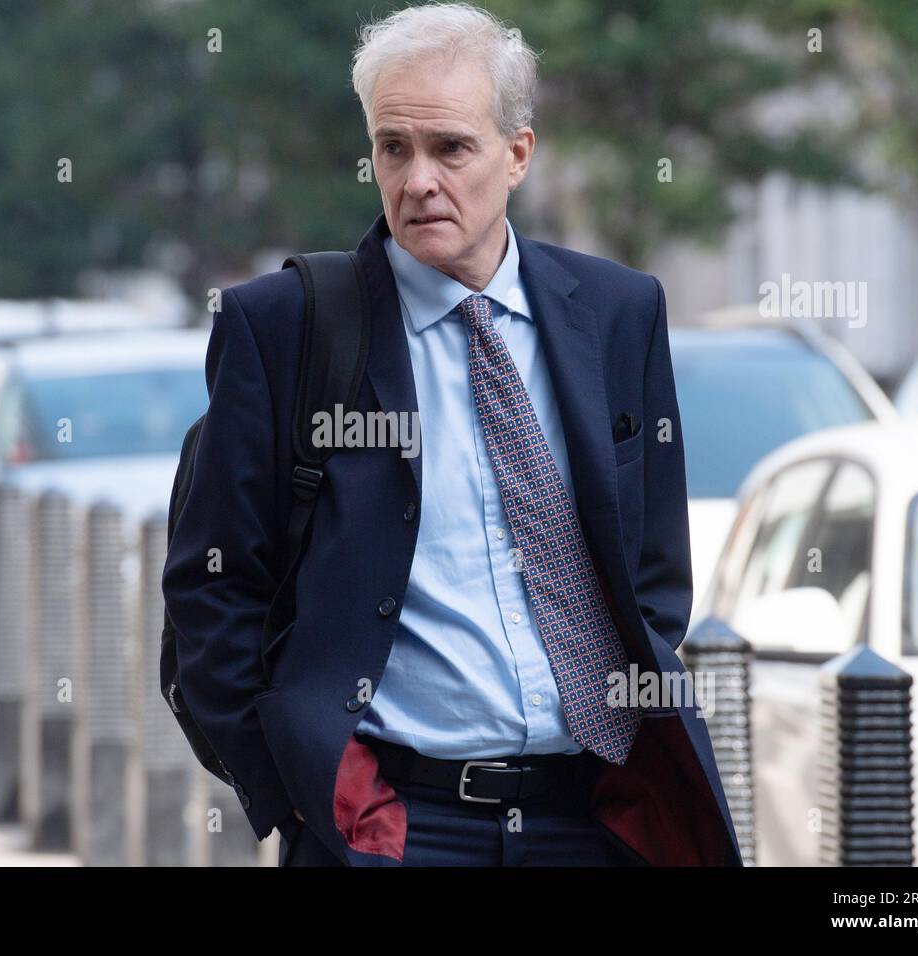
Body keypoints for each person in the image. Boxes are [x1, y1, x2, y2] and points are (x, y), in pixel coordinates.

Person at [161, 1, 743, 867]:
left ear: (518, 155)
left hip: (591, 819)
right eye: (393, 148)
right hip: (394, 829)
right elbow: (212, 589)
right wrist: (311, 798)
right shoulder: (285, 327)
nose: (419, 179)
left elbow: (653, 577)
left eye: (451, 148)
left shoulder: (621, 312)